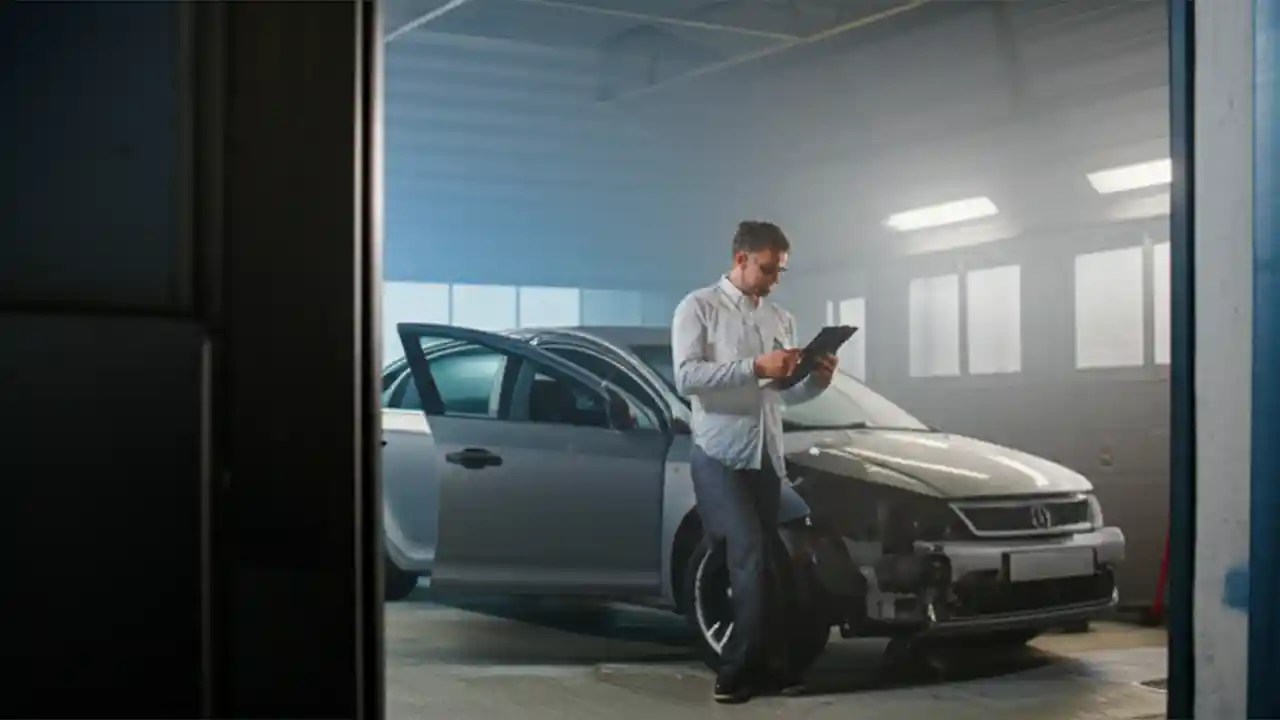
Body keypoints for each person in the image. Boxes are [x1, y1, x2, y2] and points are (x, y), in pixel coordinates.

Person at [670, 220, 838, 703]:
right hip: (718, 456)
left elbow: (780, 396)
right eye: (767, 269)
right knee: (747, 553)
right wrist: (755, 367)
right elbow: (686, 378)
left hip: (765, 457)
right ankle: (735, 672)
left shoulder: (780, 319)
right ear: (741, 259)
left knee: (771, 564)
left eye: (780, 271)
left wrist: (816, 382)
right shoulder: (697, 308)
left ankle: (775, 667)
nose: (774, 280)